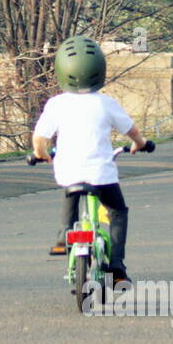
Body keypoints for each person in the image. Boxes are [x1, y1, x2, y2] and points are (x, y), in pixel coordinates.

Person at [31, 35, 148, 287]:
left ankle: (64, 237)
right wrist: (140, 145)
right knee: (118, 211)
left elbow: (39, 139)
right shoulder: (107, 103)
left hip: (69, 172)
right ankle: (116, 264)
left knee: (70, 190)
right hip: (102, 175)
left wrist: (40, 154)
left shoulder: (56, 104)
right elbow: (134, 133)